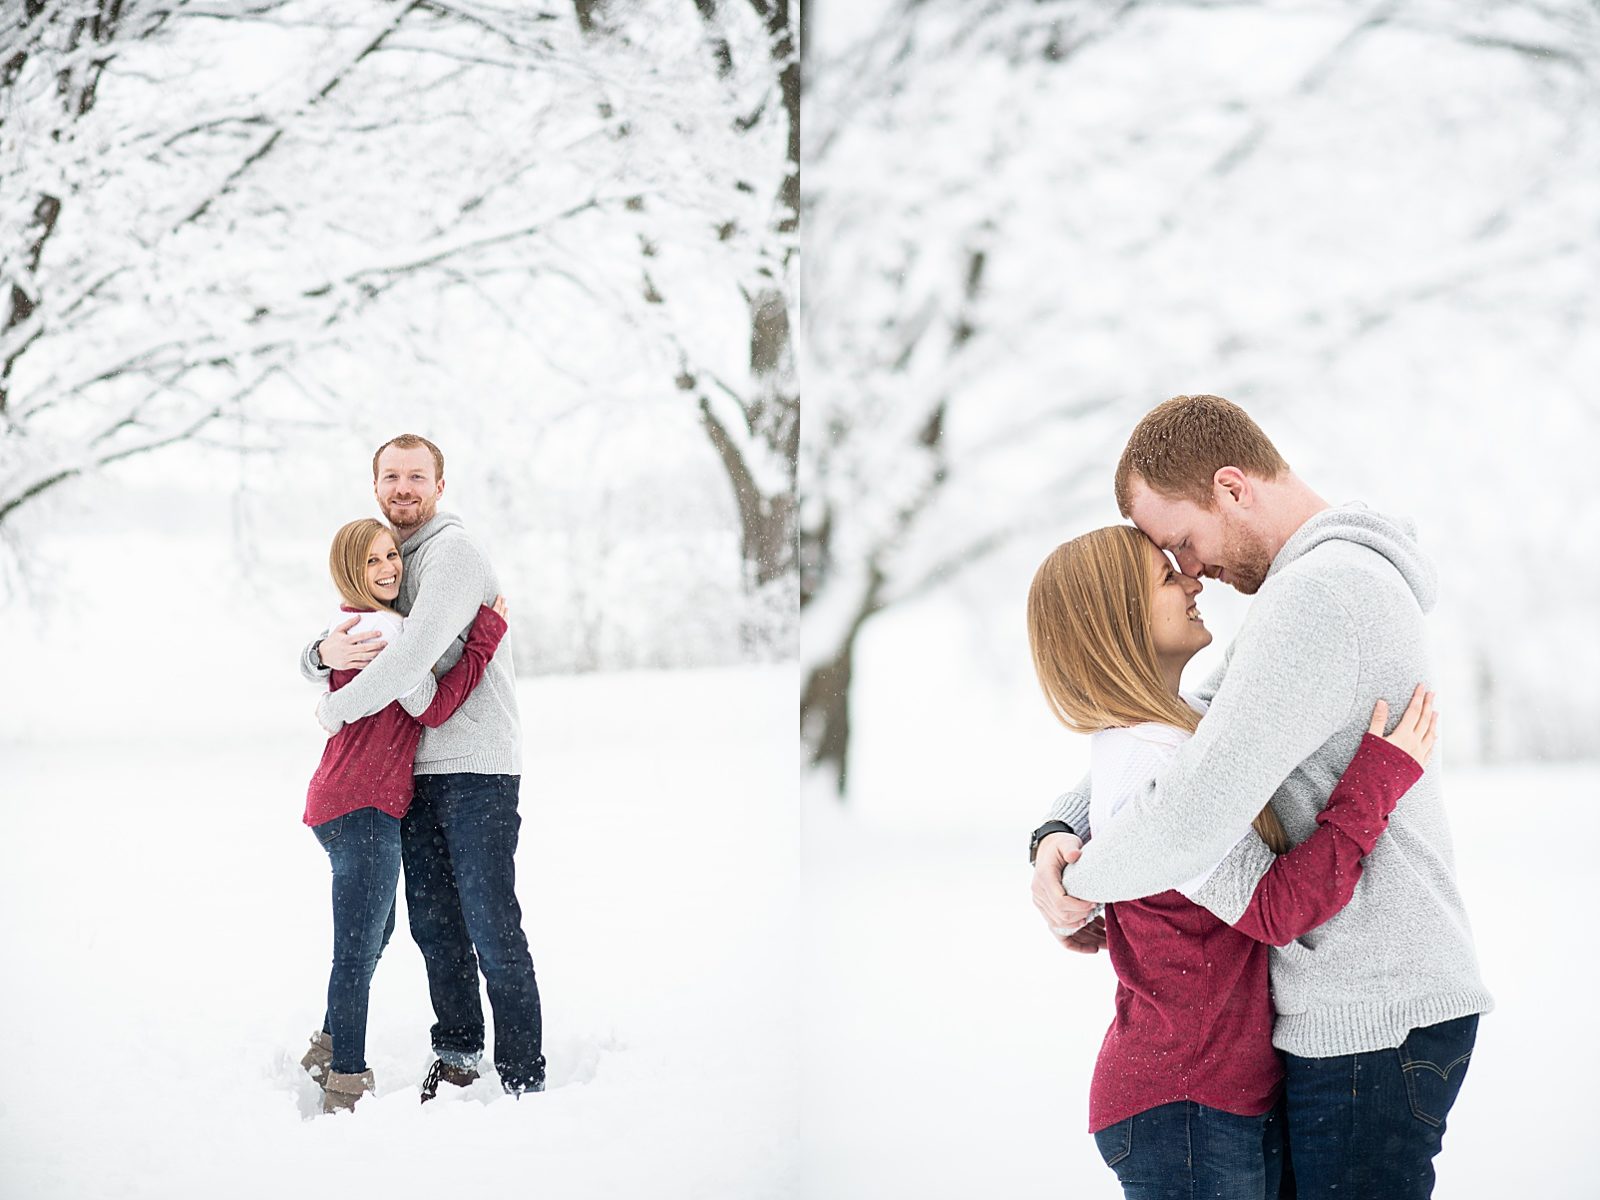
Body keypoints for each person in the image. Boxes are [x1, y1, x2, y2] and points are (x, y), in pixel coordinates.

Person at [1029, 395, 1492, 1197]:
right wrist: (1058, 828)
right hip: (1355, 1005)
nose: (1191, 570)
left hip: (1370, 1007)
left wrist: (1079, 880)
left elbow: (1181, 814)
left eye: (1182, 542)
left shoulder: (1321, 594)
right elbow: (1195, 731)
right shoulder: (1307, 588)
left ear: (1232, 489)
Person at [301, 434, 546, 1099]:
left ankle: (523, 1074)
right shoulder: (390, 556)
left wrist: (335, 708)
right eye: (391, 476)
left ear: (439, 485)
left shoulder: (452, 554)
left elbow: (409, 661)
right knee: (435, 926)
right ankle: (459, 1054)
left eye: (416, 476)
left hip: (476, 767)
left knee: (491, 924)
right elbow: (359, 625)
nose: (403, 487)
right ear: (375, 485)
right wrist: (318, 655)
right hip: (412, 773)